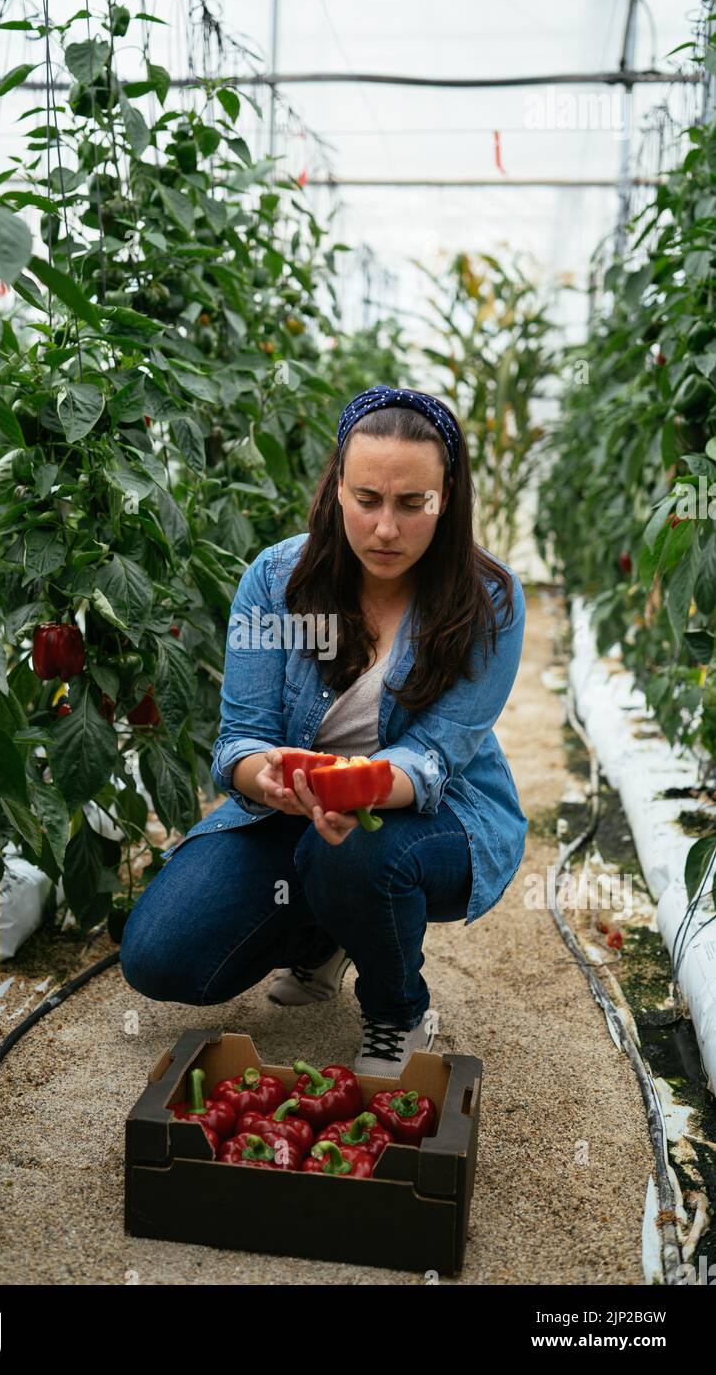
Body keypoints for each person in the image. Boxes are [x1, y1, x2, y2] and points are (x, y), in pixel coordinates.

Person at [120, 384, 528, 1076]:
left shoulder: (488, 599)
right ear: (337, 487)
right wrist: (268, 776)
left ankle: (397, 1011)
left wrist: (351, 790)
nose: (387, 529)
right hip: (293, 813)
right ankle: (324, 933)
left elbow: (431, 758)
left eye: (412, 503)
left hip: (433, 819)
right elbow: (241, 739)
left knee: (357, 856)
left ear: (447, 496)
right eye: (367, 499)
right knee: (161, 958)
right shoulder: (277, 580)